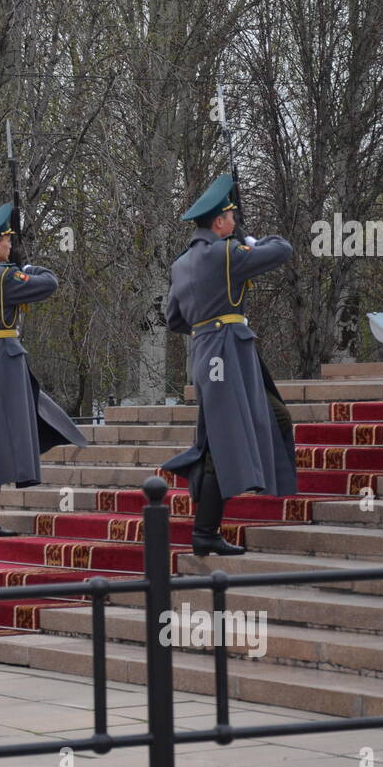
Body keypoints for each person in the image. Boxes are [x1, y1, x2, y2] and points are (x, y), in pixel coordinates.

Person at [161, 175, 297, 556]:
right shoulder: (227, 253)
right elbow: (282, 249)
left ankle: (256, 483)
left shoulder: (181, 264)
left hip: (211, 351)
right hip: (227, 353)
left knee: (274, 417)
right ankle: (205, 532)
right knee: (220, 442)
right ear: (219, 222)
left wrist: (205, 325)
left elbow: (173, 319)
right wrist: (252, 243)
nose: (235, 223)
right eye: (232, 218)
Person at [0, 202, 87, 537]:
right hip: (4, 361)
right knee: (0, 436)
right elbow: (49, 283)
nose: (10, 246)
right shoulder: (2, 276)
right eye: (7, 241)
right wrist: (30, 267)